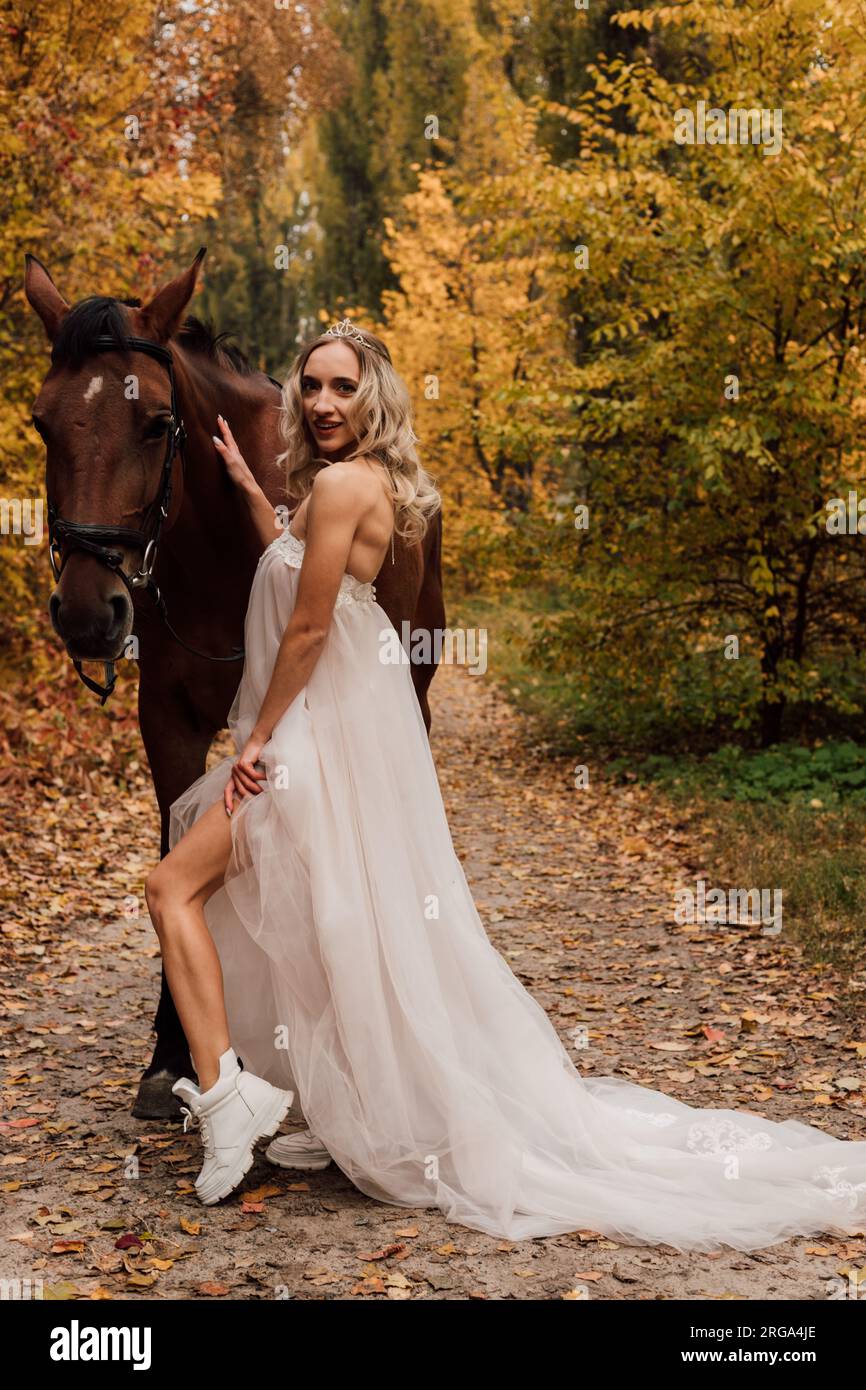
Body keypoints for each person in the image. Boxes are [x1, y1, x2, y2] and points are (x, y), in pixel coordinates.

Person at [145, 320, 866, 1249]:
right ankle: (326, 1100)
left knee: (174, 886)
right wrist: (250, 491)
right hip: (325, 741)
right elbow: (293, 563)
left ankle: (227, 1094)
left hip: (308, 745)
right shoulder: (348, 491)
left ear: (374, 398)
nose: (324, 403)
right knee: (333, 930)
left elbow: (309, 628)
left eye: (342, 387)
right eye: (311, 386)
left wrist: (261, 739)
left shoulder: (339, 486)